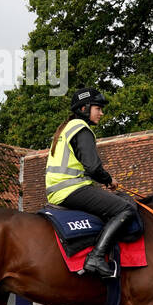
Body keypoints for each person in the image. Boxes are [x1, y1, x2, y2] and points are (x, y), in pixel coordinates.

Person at [44, 87, 137, 279]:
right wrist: (109, 180)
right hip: (71, 188)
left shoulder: (66, 128)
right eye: (98, 108)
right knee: (125, 208)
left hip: (58, 190)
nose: (101, 113)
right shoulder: (81, 128)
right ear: (85, 108)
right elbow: (93, 167)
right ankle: (96, 257)